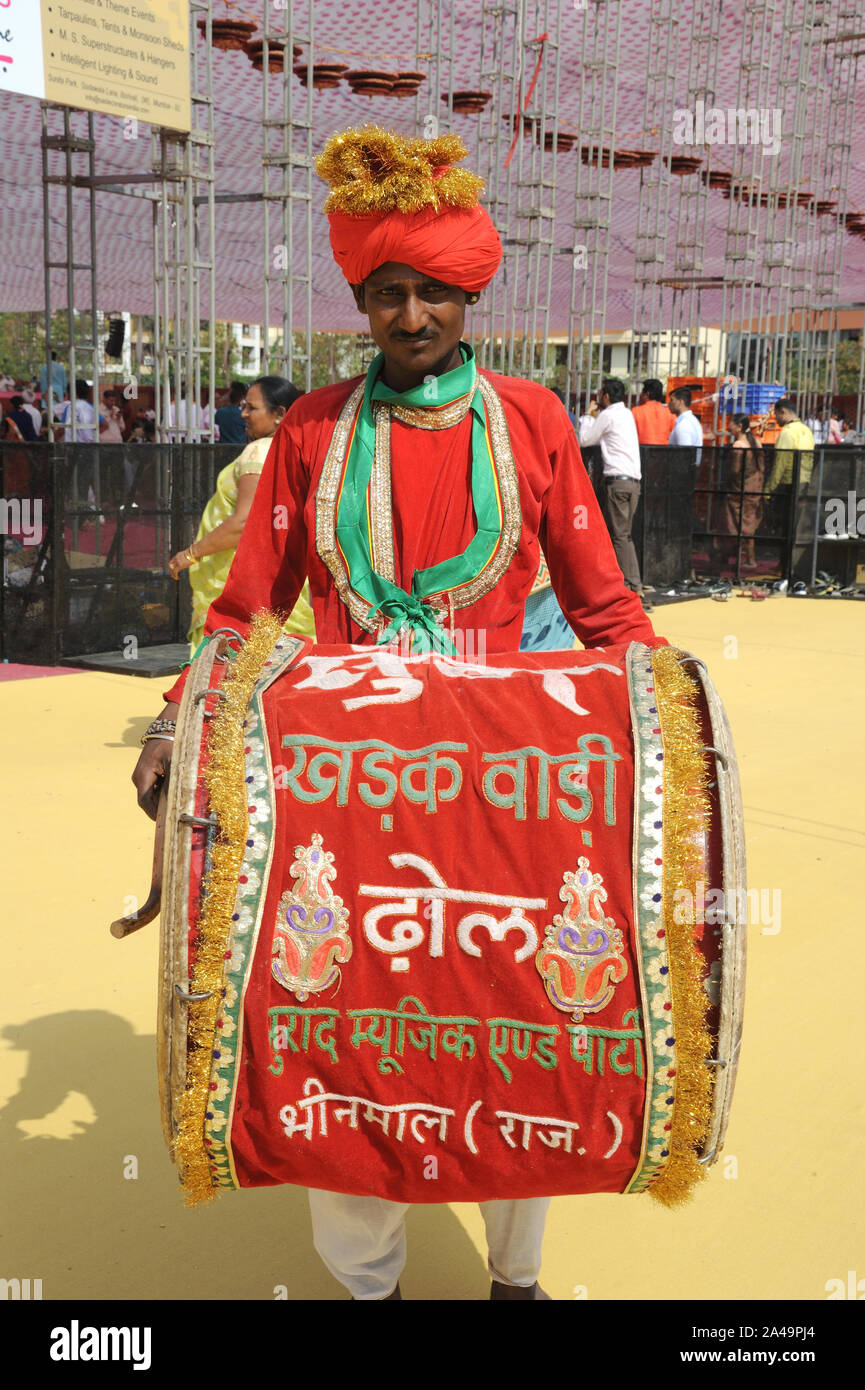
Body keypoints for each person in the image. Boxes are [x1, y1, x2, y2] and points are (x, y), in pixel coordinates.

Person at [132, 126, 665, 1303]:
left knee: (516, 1013)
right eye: (386, 294)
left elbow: (602, 603)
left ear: (468, 295)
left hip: (501, 788)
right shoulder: (311, 433)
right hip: (344, 796)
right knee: (342, 1031)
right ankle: (368, 1288)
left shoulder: (529, 423)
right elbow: (247, 608)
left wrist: (678, 721)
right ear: (361, 305)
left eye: (432, 291)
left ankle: (514, 1278)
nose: (411, 315)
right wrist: (181, 717)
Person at [168, 375, 314, 654]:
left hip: (241, 581)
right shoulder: (296, 452)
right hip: (280, 577)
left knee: (223, 676)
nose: (243, 413)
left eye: (252, 407)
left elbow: (244, 521)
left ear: (280, 414)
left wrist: (190, 554)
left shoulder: (259, 451)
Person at [578, 378, 649, 608]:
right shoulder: (627, 414)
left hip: (617, 482)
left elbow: (585, 439)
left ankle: (627, 586)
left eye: (600, 394)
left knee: (619, 536)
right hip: (634, 482)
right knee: (625, 535)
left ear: (606, 396)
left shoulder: (608, 415)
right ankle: (635, 583)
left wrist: (588, 415)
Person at [720, 413, 764, 569]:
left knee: (737, 525)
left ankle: (743, 559)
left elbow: (735, 470)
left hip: (740, 490)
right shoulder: (756, 443)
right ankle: (748, 558)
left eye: (730, 424)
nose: (728, 427)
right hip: (754, 489)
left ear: (739, 426)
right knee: (748, 523)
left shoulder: (739, 446)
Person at [764, 398, 815, 497]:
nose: (775, 418)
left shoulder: (787, 432)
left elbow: (780, 463)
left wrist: (768, 490)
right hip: (805, 482)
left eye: (776, 414)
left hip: (788, 484)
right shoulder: (807, 430)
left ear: (783, 411)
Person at [631, 378, 672, 446]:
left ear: (647, 394)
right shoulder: (670, 412)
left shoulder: (635, 411)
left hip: (642, 452)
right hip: (664, 452)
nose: (640, 395)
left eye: (642, 393)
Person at [667, 387, 704, 453]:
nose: (669, 404)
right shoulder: (692, 420)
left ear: (680, 402)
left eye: (672, 400)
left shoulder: (683, 425)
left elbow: (684, 456)